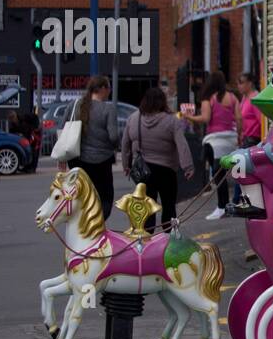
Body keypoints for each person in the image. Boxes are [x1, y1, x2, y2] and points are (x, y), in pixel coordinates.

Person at [121, 87, 194, 233]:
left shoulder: (134, 119)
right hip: (167, 171)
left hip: (143, 172)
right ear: (162, 102)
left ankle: (147, 241)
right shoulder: (171, 121)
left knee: (147, 208)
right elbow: (182, 145)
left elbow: (125, 144)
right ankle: (169, 239)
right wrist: (188, 166)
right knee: (169, 205)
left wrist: (126, 165)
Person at [181, 70, 240, 220]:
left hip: (215, 141)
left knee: (218, 176)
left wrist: (189, 117)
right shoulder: (232, 97)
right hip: (231, 139)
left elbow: (206, 118)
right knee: (230, 174)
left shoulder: (209, 98)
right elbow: (239, 119)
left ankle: (222, 207)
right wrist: (239, 136)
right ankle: (228, 206)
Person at [69, 76, 119, 220]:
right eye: (108, 88)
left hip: (77, 160)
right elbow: (114, 136)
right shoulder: (108, 109)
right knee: (104, 198)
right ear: (102, 89)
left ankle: (83, 224)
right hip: (102, 161)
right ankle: (96, 224)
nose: (109, 92)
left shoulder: (75, 105)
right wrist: (116, 147)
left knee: (82, 195)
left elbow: (64, 129)